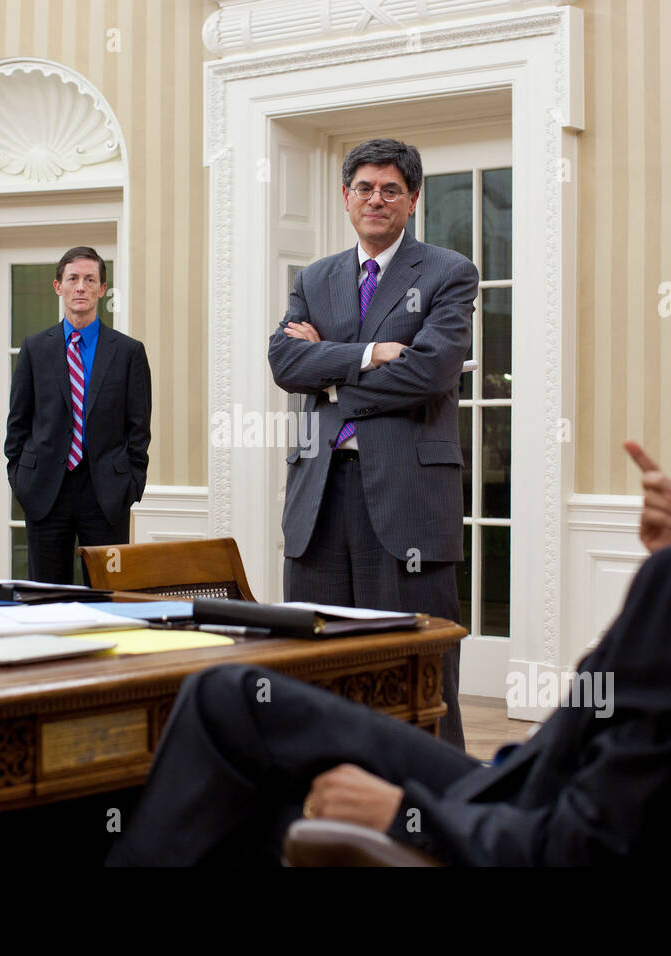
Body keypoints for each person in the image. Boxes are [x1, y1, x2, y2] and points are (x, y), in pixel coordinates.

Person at [108, 285, 671, 866]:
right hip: (533, 781)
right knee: (249, 717)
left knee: (223, 701)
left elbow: (588, 847)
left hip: (527, 817)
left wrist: (405, 814)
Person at [267, 139, 478, 749]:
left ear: (412, 200)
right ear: (345, 197)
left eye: (390, 189)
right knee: (319, 672)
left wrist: (330, 376)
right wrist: (367, 354)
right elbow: (284, 361)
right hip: (319, 499)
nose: (375, 199)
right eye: (364, 188)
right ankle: (328, 805)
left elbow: (431, 372)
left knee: (416, 673)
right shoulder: (316, 277)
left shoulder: (448, 273)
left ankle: (436, 813)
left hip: (409, 502)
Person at [4, 247, 152, 584]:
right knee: (46, 595)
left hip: (105, 493)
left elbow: (139, 428)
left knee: (106, 592)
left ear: (102, 289)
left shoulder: (128, 352)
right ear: (58, 286)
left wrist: (131, 483)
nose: (80, 287)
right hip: (45, 491)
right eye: (73, 279)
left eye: (90, 280)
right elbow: (18, 423)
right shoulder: (35, 348)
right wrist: (21, 479)